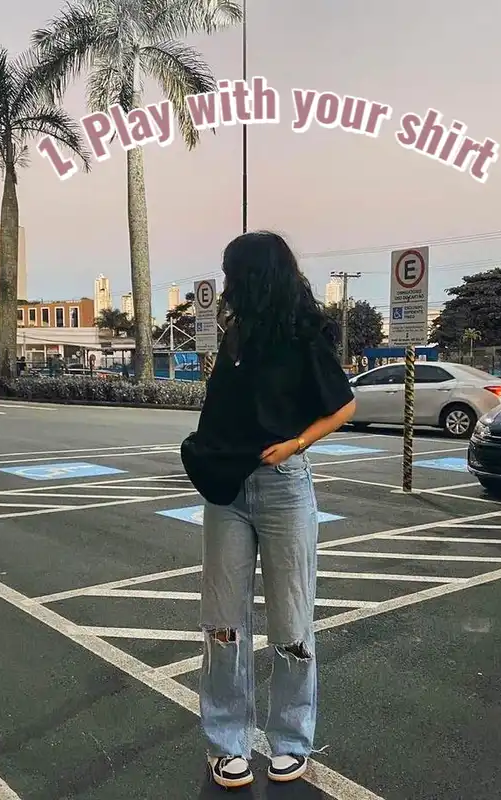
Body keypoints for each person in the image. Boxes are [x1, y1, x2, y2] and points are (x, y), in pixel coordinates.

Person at [181, 231, 356, 789]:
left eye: (233, 272)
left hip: (284, 485)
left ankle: (291, 740)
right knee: (223, 623)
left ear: (256, 275)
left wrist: (296, 444)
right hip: (229, 491)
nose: (227, 283)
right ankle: (227, 741)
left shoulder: (304, 335)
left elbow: (344, 405)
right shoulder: (236, 335)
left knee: (292, 620)